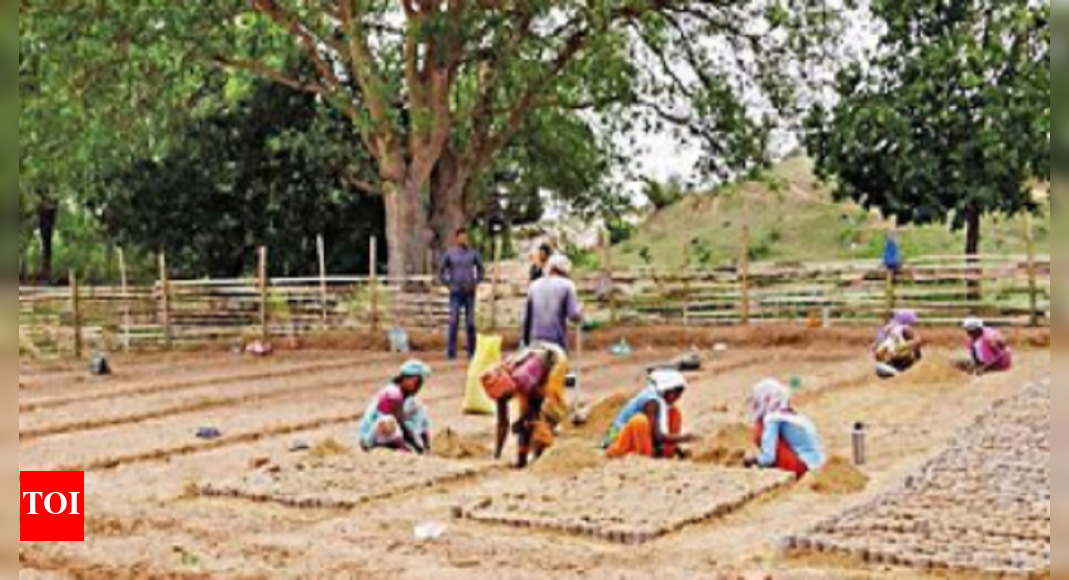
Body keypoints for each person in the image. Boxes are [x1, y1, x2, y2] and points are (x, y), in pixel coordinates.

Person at [493, 342, 570, 469]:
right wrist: (497, 453)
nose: (503, 401)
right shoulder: (499, 386)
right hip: (536, 363)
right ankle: (522, 458)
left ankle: (544, 456)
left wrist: (524, 419)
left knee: (547, 410)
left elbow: (534, 405)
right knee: (525, 417)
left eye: (505, 397)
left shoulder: (522, 379)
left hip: (555, 359)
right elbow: (502, 423)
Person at [605, 370, 695, 460]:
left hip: (637, 440)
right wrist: (684, 438)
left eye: (680, 394)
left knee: (674, 412)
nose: (678, 397)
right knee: (640, 421)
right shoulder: (652, 402)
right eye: (676, 393)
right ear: (666, 389)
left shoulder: (660, 399)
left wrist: (676, 448)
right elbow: (657, 435)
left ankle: (667, 453)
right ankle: (646, 457)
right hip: (617, 443)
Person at [745, 379, 826, 478]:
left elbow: (769, 457)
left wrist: (755, 461)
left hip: (803, 466)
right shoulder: (789, 414)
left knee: (760, 431)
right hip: (819, 464)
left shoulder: (772, 417)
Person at [358, 360, 433, 454]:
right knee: (389, 421)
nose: (418, 387)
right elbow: (400, 422)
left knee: (419, 408)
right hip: (373, 433)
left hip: (392, 434)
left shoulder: (409, 398)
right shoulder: (392, 393)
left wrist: (426, 445)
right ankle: (370, 445)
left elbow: (422, 419)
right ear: (406, 379)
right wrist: (416, 446)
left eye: (420, 384)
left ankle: (404, 445)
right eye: (417, 383)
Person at [439, 228, 485, 361]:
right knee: (453, 321)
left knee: (470, 323)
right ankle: (451, 353)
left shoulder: (473, 253)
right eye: (461, 237)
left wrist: (475, 282)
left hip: (470, 293)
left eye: (466, 237)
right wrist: (448, 284)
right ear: (457, 238)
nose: (464, 239)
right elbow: (441, 271)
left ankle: (472, 353)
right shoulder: (450, 253)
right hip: (455, 293)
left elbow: (481, 270)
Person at [522, 254, 583, 351]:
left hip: (535, 343)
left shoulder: (533, 286)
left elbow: (526, 319)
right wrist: (580, 311)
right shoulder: (568, 285)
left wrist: (525, 342)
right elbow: (574, 316)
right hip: (557, 343)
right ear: (565, 271)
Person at [874, 309, 924, 379]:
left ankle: (887, 365)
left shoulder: (886, 328)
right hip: (894, 355)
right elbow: (917, 342)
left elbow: (875, 346)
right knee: (914, 344)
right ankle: (898, 367)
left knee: (897, 346)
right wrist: (917, 357)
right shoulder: (905, 328)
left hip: (882, 356)